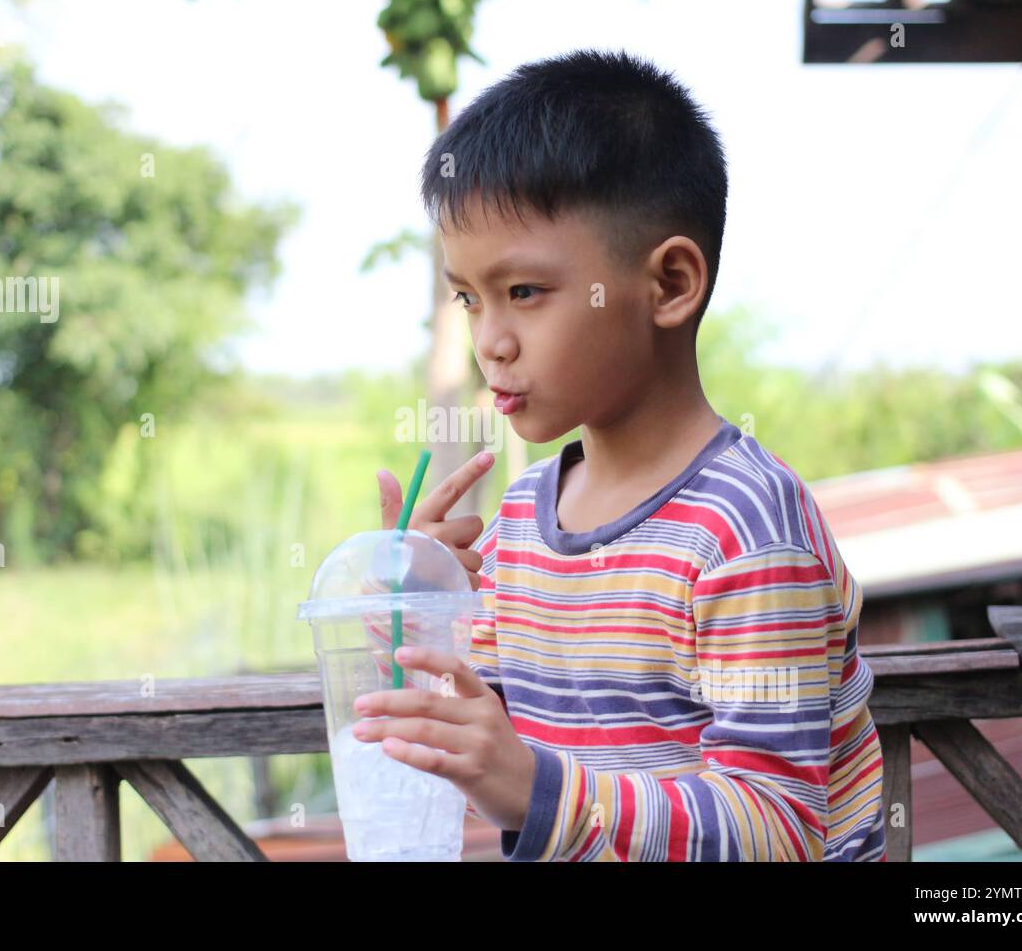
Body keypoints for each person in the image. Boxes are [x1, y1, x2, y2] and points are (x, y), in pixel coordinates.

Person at [357, 48, 887, 862]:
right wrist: (421, 614)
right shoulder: (520, 525)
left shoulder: (744, 530)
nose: (489, 342)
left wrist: (536, 788)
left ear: (671, 284)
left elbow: (780, 827)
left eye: (524, 292)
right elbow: (485, 738)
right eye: (468, 298)